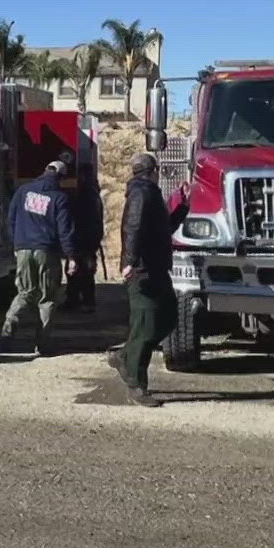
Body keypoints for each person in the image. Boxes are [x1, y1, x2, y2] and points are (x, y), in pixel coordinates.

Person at [108, 152, 189, 407]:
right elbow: (133, 228)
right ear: (153, 171)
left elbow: (163, 229)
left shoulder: (149, 194)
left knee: (168, 317)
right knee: (145, 326)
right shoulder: (142, 193)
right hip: (143, 271)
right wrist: (130, 262)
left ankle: (124, 356)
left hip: (156, 269)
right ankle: (136, 384)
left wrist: (182, 208)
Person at [1, 159, 77, 355]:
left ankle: (8, 330)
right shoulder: (59, 198)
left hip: (23, 249)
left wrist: (16, 244)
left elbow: (11, 219)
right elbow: (65, 230)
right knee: (47, 297)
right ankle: (42, 344)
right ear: (60, 177)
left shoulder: (23, 191)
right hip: (47, 252)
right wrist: (70, 256)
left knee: (25, 293)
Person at [63, 156, 103, 313]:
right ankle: (81, 300)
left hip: (84, 239)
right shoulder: (92, 193)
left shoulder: (86, 194)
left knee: (81, 271)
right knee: (84, 271)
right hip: (88, 239)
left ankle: (81, 300)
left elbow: (84, 218)